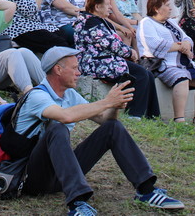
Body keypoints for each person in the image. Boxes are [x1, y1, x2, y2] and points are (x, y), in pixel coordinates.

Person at [15, 46, 185, 215]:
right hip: (31, 177)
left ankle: (147, 191)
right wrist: (106, 102)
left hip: (59, 175)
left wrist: (114, 106)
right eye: (74, 68)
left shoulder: (70, 95)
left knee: (113, 127)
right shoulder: (37, 96)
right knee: (58, 129)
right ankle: (77, 205)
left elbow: (104, 119)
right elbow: (65, 116)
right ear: (58, 70)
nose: (79, 72)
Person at [74, 0, 160, 119]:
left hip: (106, 59)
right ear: (97, 6)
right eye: (108, 4)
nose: (110, 8)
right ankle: (134, 115)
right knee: (140, 74)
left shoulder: (97, 20)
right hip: (95, 63)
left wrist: (128, 51)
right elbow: (110, 43)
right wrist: (130, 51)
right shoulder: (89, 22)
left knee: (147, 74)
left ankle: (153, 117)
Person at [137, 0, 195, 126]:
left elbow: (187, 38)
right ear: (156, 8)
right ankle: (179, 119)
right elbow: (154, 44)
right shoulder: (146, 23)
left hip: (183, 62)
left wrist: (184, 45)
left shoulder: (171, 22)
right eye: (167, 5)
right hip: (164, 64)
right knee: (182, 79)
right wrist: (180, 47)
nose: (170, 8)